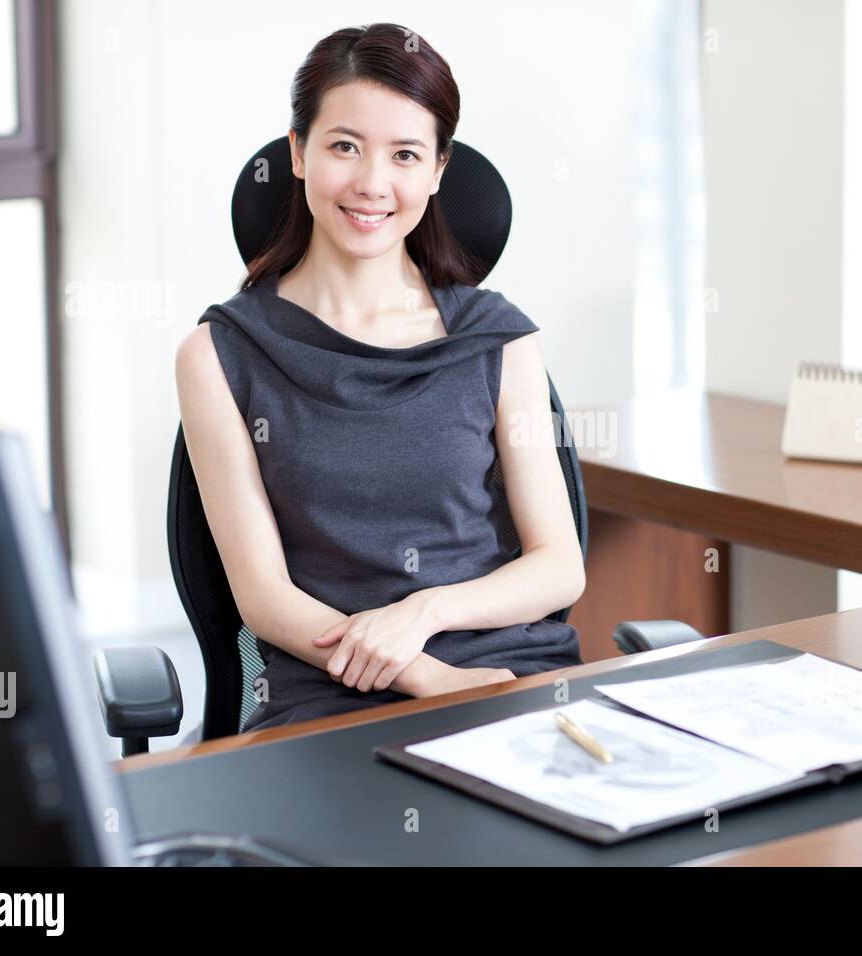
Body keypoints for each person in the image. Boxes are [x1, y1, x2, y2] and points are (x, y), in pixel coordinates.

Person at [174, 23, 585, 732]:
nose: (372, 183)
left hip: (509, 678)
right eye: (344, 146)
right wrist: (425, 675)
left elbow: (559, 567)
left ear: (437, 170)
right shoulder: (220, 353)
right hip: (333, 692)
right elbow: (264, 598)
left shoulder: (499, 337)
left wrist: (425, 614)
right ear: (298, 153)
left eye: (404, 154)